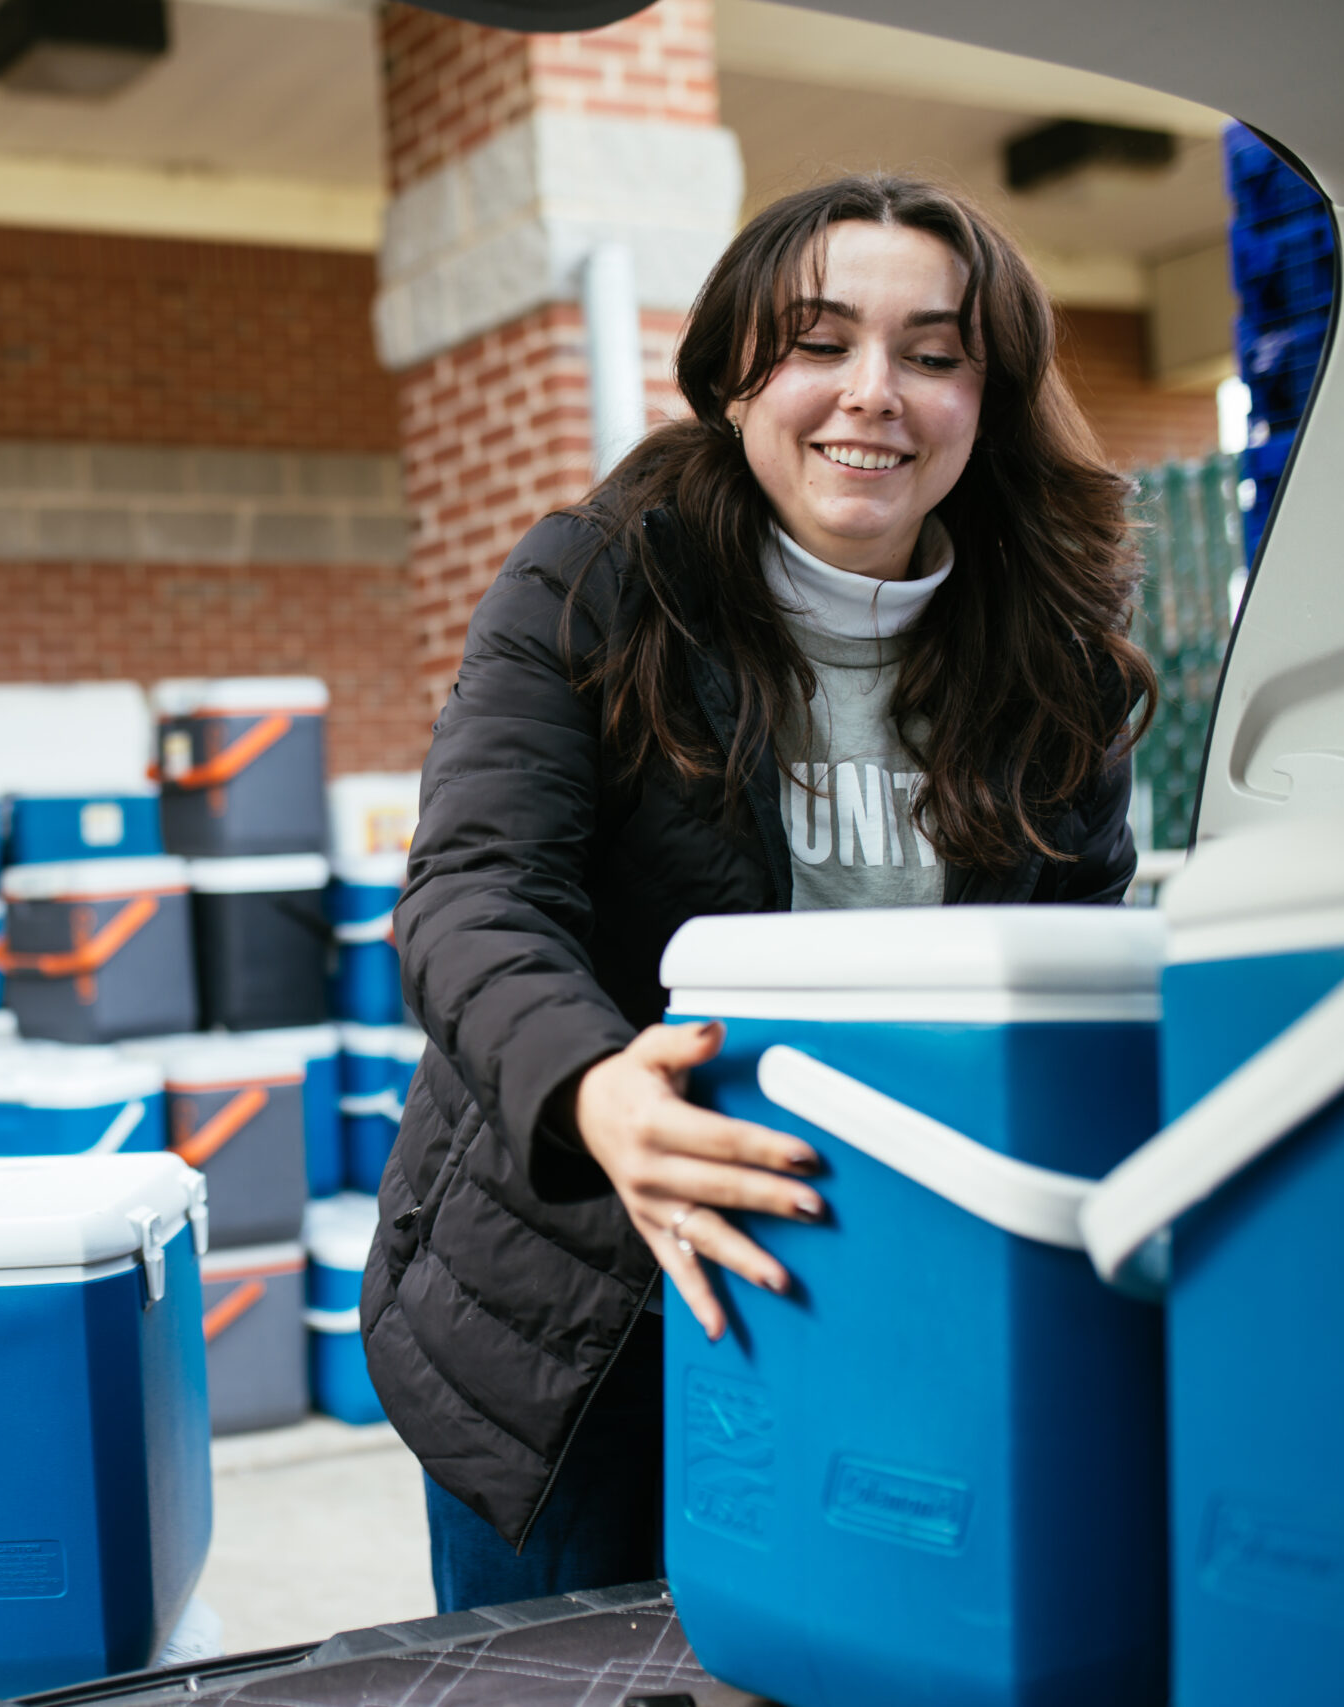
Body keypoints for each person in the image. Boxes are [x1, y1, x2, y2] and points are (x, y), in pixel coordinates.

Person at [360, 175, 1153, 1612]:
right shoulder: (596, 583)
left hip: (896, 1281)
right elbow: (472, 896)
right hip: (574, 1307)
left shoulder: (1056, 661)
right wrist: (597, 1093)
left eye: (934, 352)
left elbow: (1078, 957)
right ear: (736, 373)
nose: (875, 395)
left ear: (992, 395)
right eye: (819, 341)